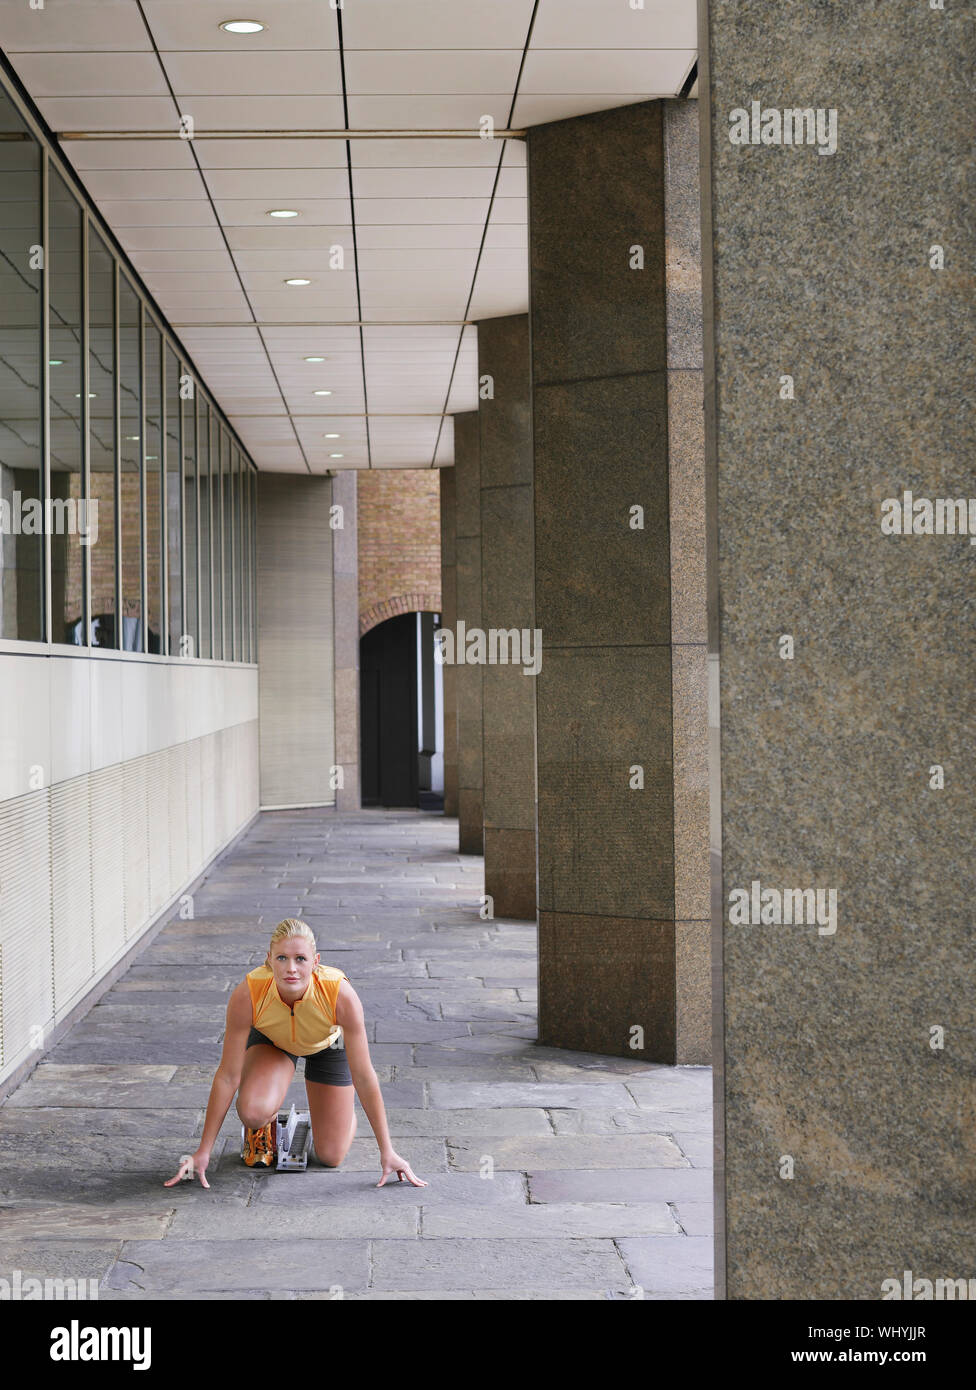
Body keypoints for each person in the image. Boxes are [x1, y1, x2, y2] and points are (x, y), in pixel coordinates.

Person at [164, 918, 426, 1190]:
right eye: (282, 958)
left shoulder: (340, 994)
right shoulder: (249, 993)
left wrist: (387, 1150)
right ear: (269, 960)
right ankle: (263, 1126)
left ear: (315, 962)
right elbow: (228, 1076)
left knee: (330, 1157)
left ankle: (342, 1113)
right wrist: (204, 1150)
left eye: (300, 958)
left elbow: (364, 1076)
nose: (291, 968)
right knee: (253, 1111)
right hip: (273, 1042)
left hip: (328, 1046)